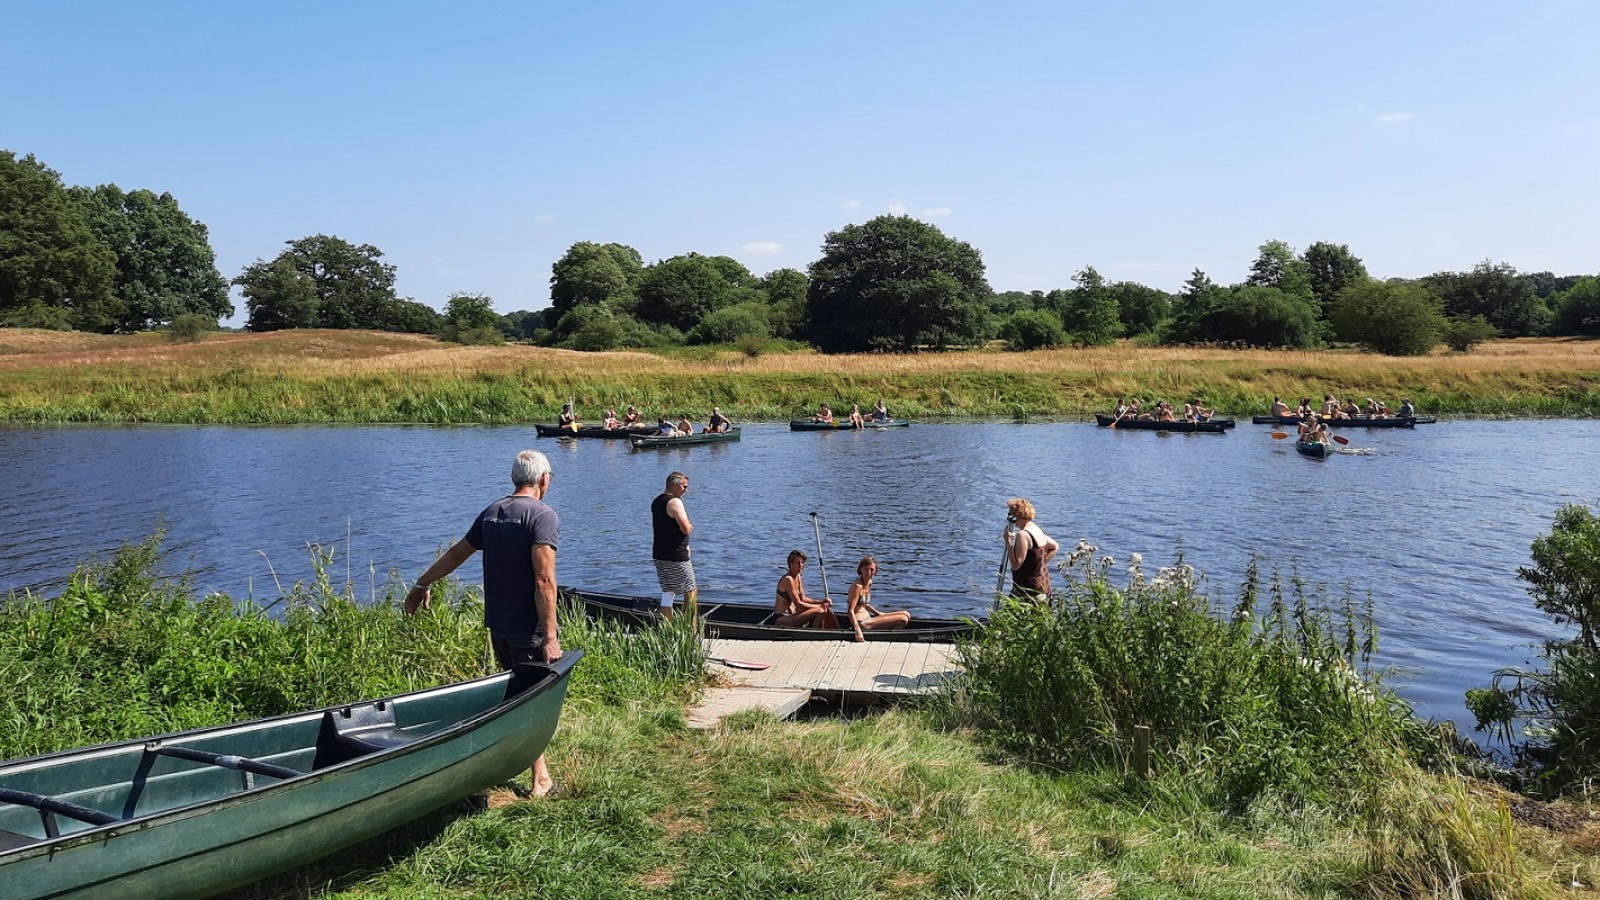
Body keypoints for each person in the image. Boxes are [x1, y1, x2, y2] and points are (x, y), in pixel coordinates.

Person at [403, 450, 562, 798]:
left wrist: (421, 583)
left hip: (499, 627)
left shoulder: (493, 513)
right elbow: (544, 580)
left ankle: (528, 770)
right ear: (543, 480)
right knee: (532, 701)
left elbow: (456, 554)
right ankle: (540, 780)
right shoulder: (542, 516)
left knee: (517, 698)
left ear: (515, 479)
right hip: (528, 628)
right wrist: (550, 635)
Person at [651, 471, 696, 620]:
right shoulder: (675, 502)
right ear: (674, 485)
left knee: (668, 593)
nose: (686, 490)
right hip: (676, 555)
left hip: (659, 554)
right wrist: (690, 525)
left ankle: (667, 629)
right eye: (684, 487)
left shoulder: (657, 501)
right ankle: (690, 629)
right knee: (691, 591)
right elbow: (685, 528)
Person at [1005, 497, 1058, 602]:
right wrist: (1041, 565)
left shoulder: (1023, 535)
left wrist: (1008, 543)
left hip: (1028, 589)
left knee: (1014, 615)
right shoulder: (1035, 529)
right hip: (1042, 584)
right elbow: (1055, 546)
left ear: (1016, 516)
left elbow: (1016, 565)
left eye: (1009, 514)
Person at [847, 556, 910, 642]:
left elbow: (864, 604)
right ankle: (890, 638)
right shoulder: (858, 586)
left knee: (906, 614)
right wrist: (858, 630)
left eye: (872, 570)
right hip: (862, 623)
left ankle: (889, 633)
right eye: (866, 569)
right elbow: (850, 611)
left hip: (868, 618)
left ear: (875, 571)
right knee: (903, 619)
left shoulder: (869, 582)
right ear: (861, 569)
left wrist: (878, 613)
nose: (869, 572)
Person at [774, 549, 832, 627]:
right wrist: (819, 607)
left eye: (802, 563)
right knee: (819, 611)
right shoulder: (788, 579)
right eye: (797, 563)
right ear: (791, 564)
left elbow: (803, 598)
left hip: (792, 614)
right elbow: (798, 604)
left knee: (826, 610)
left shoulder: (798, 577)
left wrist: (821, 602)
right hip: (782, 618)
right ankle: (812, 635)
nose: (801, 566)